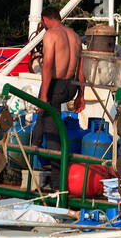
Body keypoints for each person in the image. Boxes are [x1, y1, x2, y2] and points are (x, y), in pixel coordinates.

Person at [35, 8, 84, 148]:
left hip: (57, 87)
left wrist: (44, 95)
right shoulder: (75, 36)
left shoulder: (51, 34)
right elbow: (81, 68)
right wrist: (81, 95)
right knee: (42, 111)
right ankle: (35, 144)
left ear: (45, 20)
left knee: (51, 128)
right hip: (72, 87)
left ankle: (57, 167)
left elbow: (48, 64)